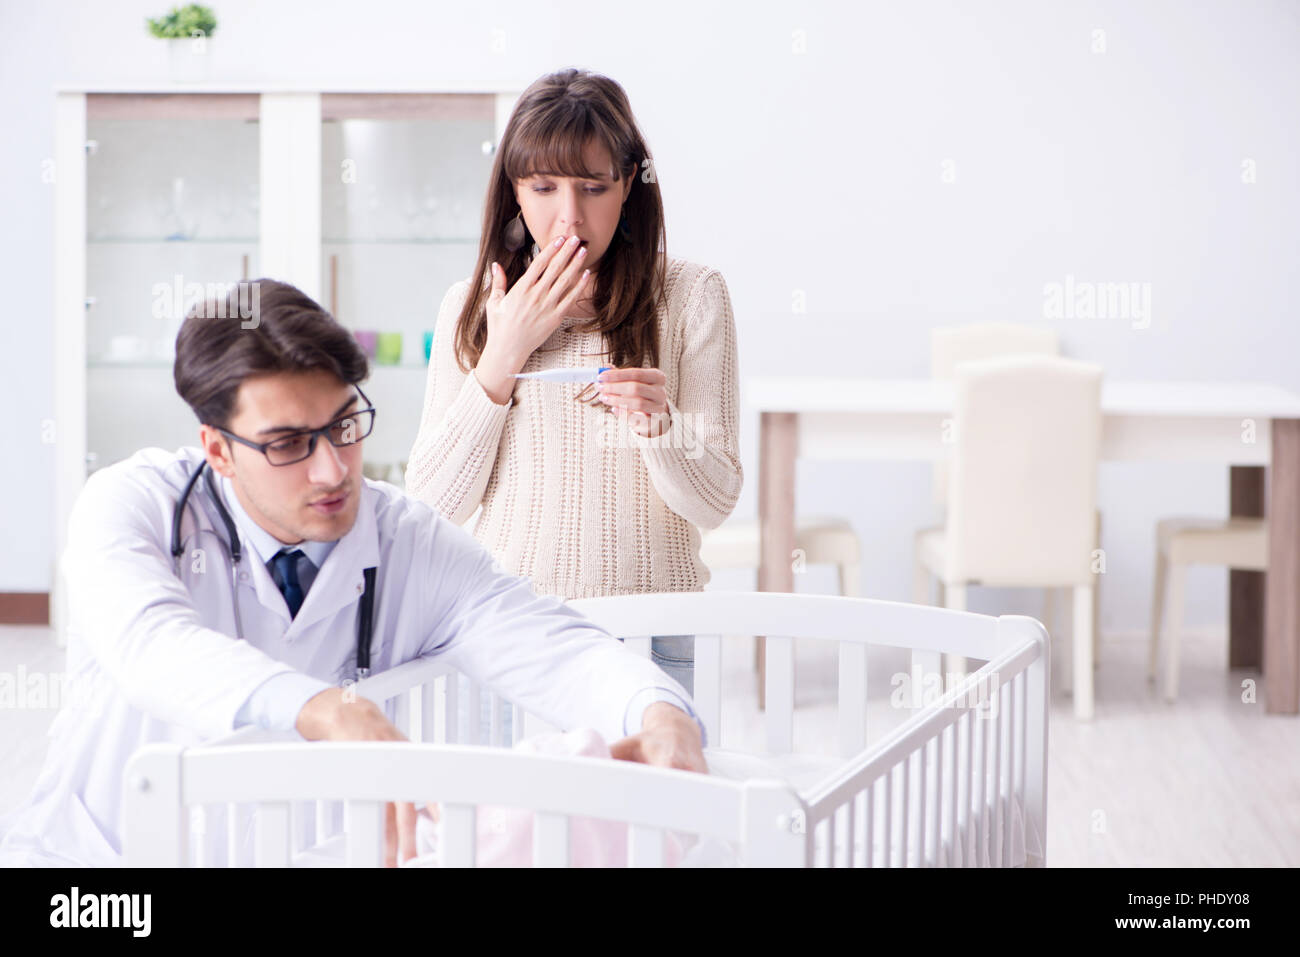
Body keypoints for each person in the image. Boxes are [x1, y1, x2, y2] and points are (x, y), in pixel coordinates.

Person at [0, 279, 705, 868]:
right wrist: (330, 707)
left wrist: (659, 709)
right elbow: (151, 644)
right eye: (288, 444)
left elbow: (548, 642)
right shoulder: (134, 506)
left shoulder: (403, 538)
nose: (333, 469)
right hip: (96, 873)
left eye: (343, 425)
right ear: (216, 448)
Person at [406, 69, 742, 719]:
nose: (570, 216)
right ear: (513, 193)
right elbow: (431, 503)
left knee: (648, 818)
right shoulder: (470, 307)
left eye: (595, 187)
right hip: (511, 631)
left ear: (630, 189)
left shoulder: (692, 295)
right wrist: (503, 357)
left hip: (652, 634)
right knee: (513, 822)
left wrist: (659, 426)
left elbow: (716, 501)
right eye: (543, 187)